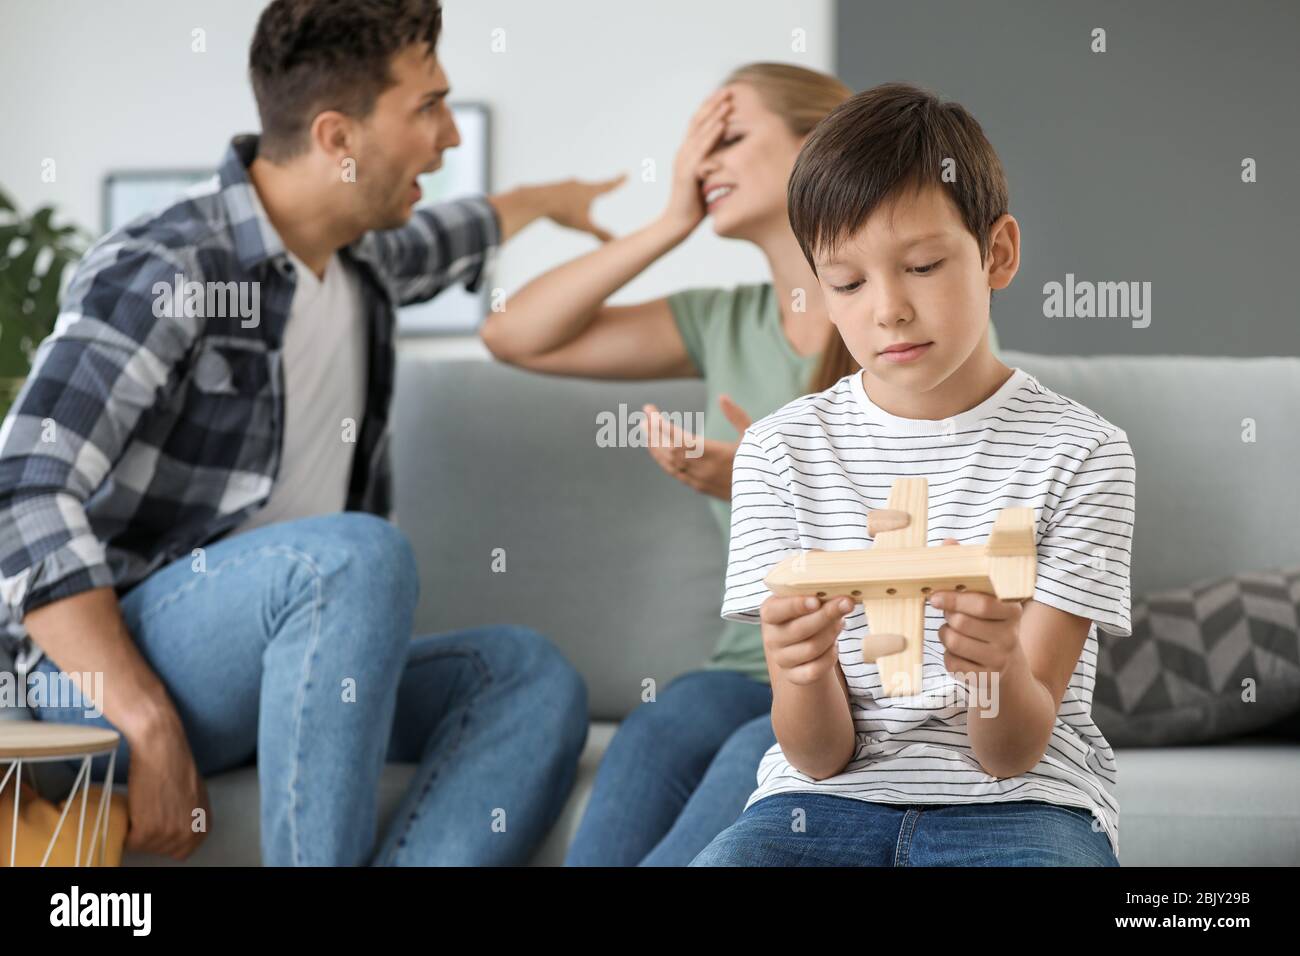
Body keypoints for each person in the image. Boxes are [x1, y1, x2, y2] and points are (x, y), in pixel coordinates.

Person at [0, 0, 606, 866]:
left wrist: (555, 202)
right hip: (100, 682)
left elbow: (453, 234)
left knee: (525, 673)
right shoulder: (169, 266)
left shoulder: (361, 260)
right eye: (427, 107)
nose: (449, 138)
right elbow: (22, 488)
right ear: (337, 137)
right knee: (353, 557)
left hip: (289, 663)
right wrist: (146, 717)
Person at [483, 62, 1000, 865]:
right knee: (661, 727)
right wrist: (666, 223)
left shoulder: (916, 327)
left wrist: (756, 484)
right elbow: (512, 332)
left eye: (728, 136)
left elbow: (948, 508)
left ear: (816, 145)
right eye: (696, 148)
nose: (702, 162)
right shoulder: (723, 320)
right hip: (741, 665)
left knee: (749, 755)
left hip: (857, 674)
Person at [690, 82, 1135, 867]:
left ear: (996, 253)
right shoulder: (779, 452)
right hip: (818, 803)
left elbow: (1012, 752)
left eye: (923, 265)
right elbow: (818, 755)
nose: (887, 309)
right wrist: (800, 671)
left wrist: (994, 667)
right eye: (849, 283)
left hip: (1023, 806)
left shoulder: (1083, 452)